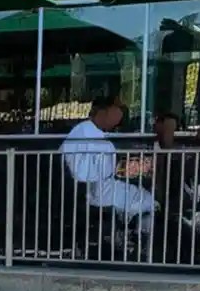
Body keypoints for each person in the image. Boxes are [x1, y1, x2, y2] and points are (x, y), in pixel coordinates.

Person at [59, 96, 157, 232]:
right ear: (103, 112)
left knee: (143, 197)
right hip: (92, 191)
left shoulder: (90, 132)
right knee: (145, 201)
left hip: (97, 187)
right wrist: (120, 168)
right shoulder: (86, 132)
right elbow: (84, 172)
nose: (116, 121)